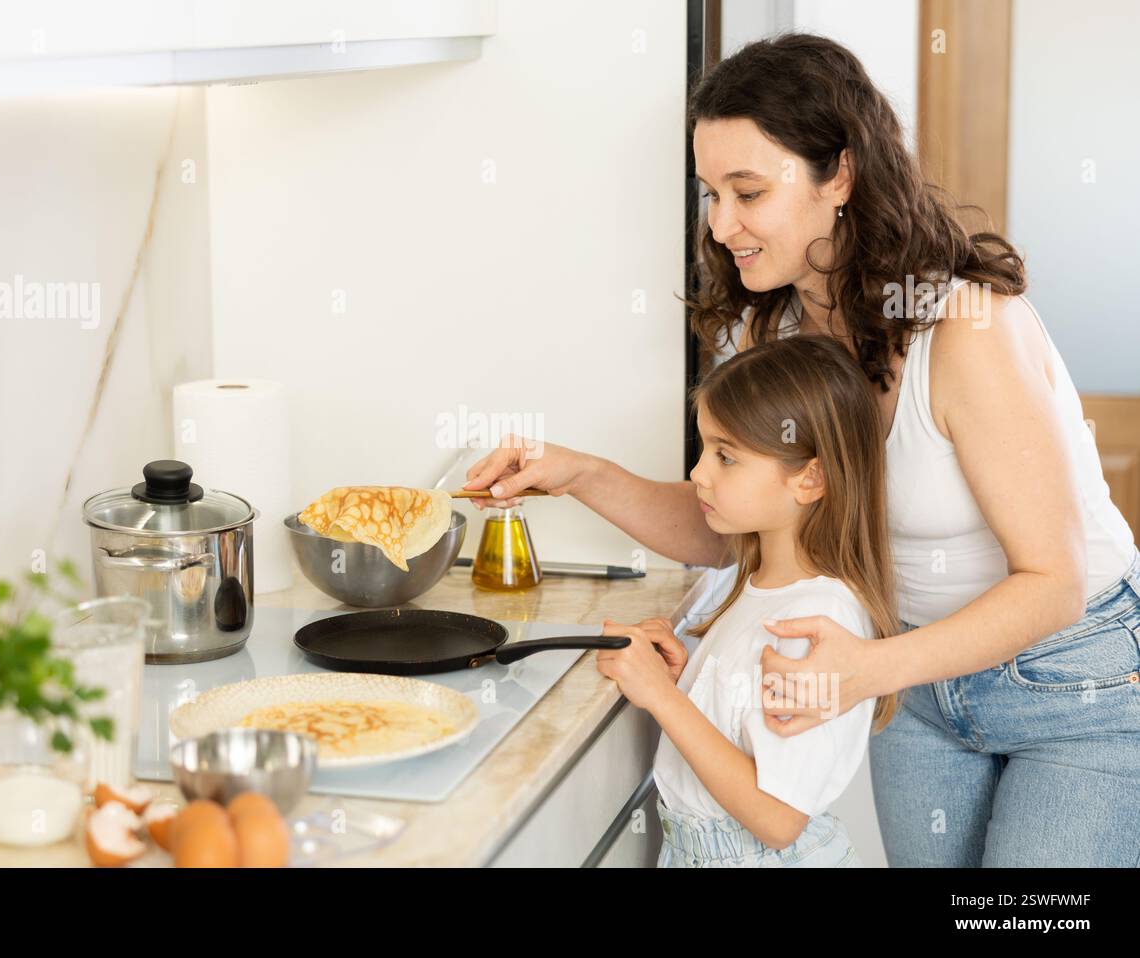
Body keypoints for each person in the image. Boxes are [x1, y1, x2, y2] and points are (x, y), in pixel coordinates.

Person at [463, 34, 1140, 867]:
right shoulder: (776, 327)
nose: (721, 224)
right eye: (710, 193)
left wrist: (866, 668)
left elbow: (1055, 583)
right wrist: (582, 476)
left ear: (842, 176)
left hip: (1071, 681)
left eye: (748, 192)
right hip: (912, 681)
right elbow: (735, 522)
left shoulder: (968, 332)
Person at [600, 334, 898, 867]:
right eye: (704, 449)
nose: (697, 474)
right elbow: (743, 729)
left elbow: (778, 819)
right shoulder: (762, 587)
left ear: (811, 478)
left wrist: (661, 700)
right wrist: (684, 683)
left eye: (726, 456)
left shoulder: (817, 620)